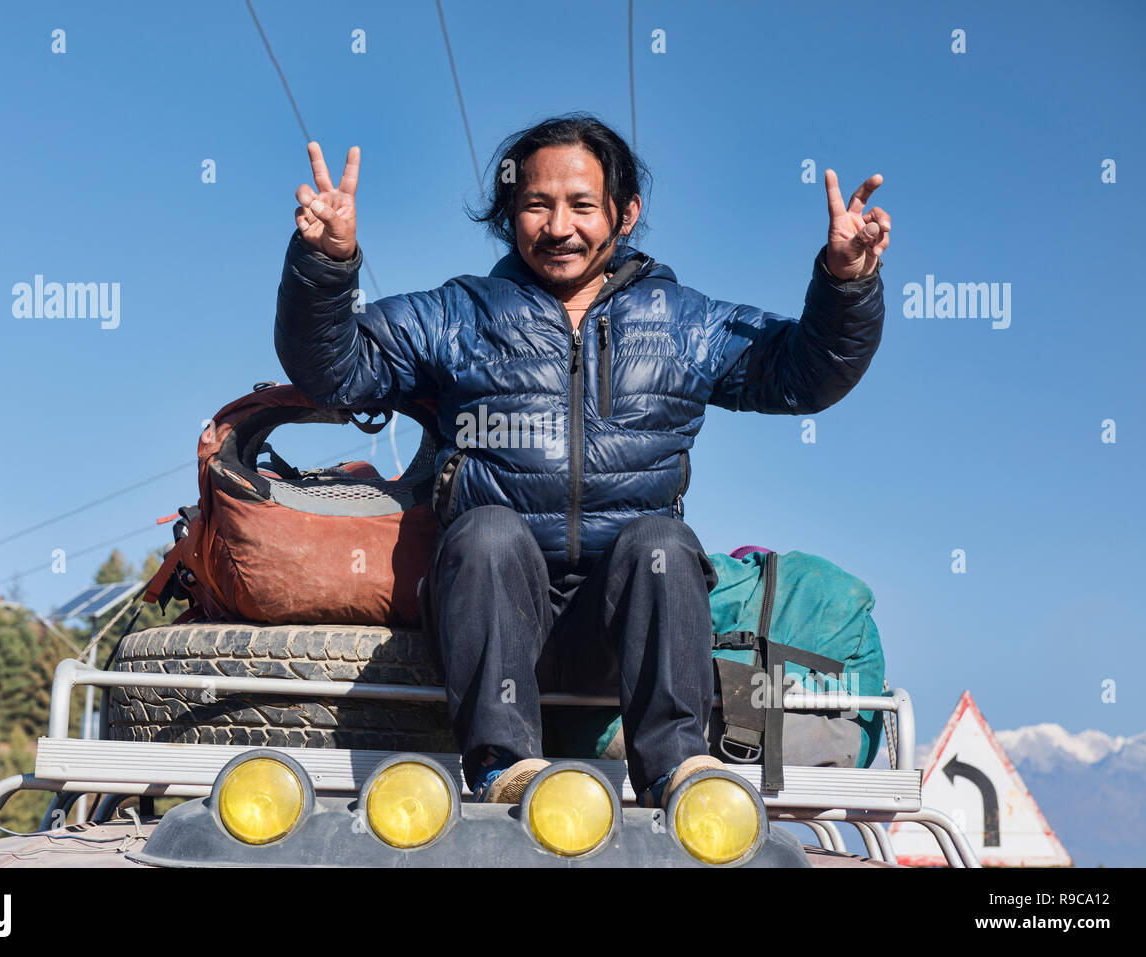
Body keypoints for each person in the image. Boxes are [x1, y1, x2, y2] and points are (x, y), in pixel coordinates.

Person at [273, 114, 889, 807]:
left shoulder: (684, 323)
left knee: (662, 542)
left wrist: (845, 283)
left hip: (618, 630)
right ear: (510, 212)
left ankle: (677, 771)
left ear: (626, 214)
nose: (557, 226)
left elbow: (801, 373)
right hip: (489, 620)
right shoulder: (456, 315)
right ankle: (504, 768)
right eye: (536, 204)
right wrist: (325, 267)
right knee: (487, 532)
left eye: (581, 205)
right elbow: (334, 371)